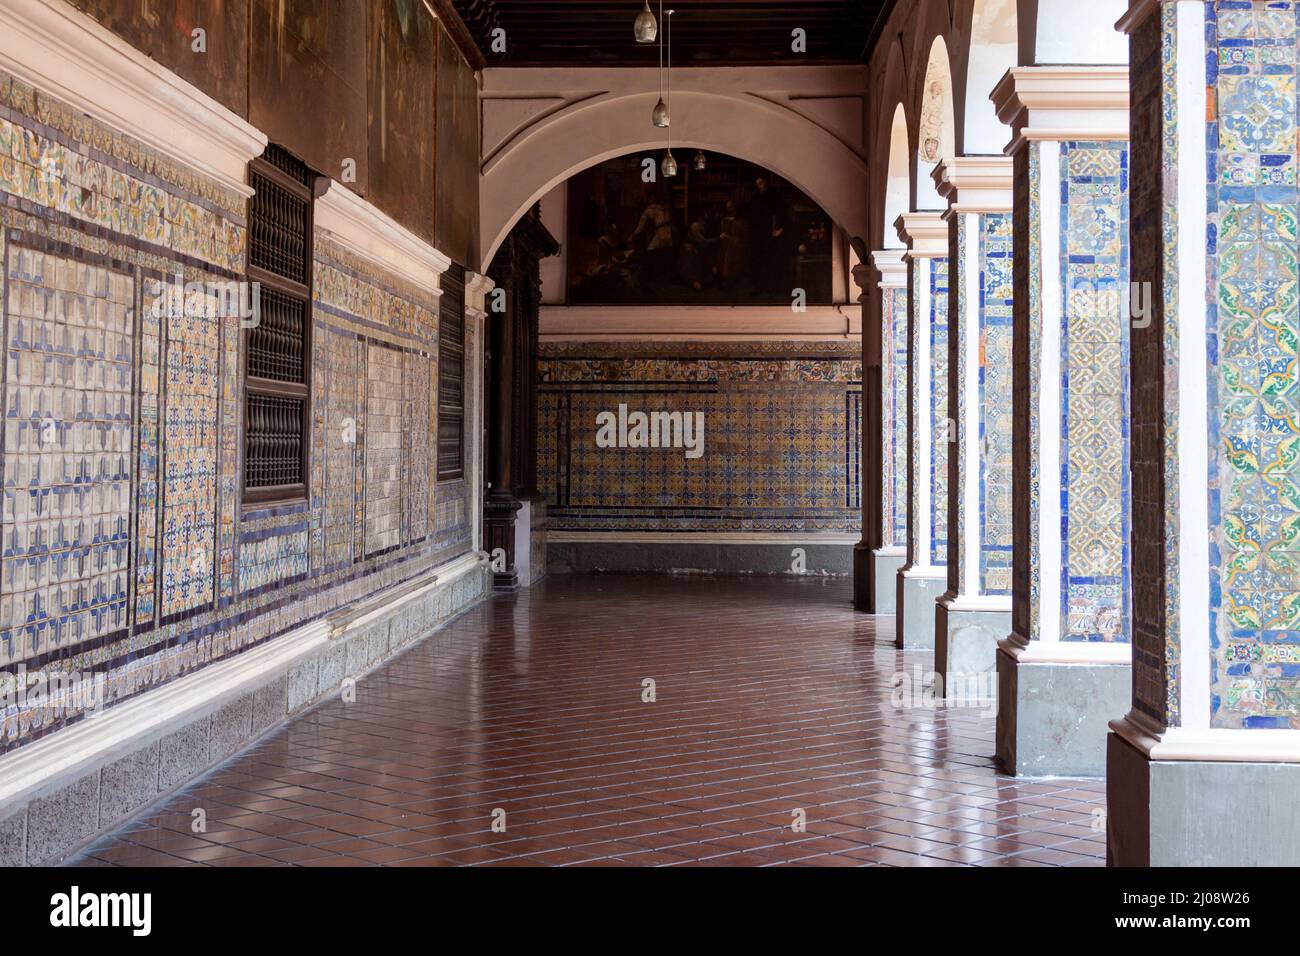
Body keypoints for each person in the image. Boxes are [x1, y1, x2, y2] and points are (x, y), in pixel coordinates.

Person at [631, 191, 675, 286]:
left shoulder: (649, 210)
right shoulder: (664, 207)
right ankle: (660, 276)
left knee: (651, 251)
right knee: (663, 253)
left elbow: (641, 227)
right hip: (669, 233)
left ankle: (650, 277)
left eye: (649, 198)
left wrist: (633, 235)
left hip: (662, 233)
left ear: (651, 199)